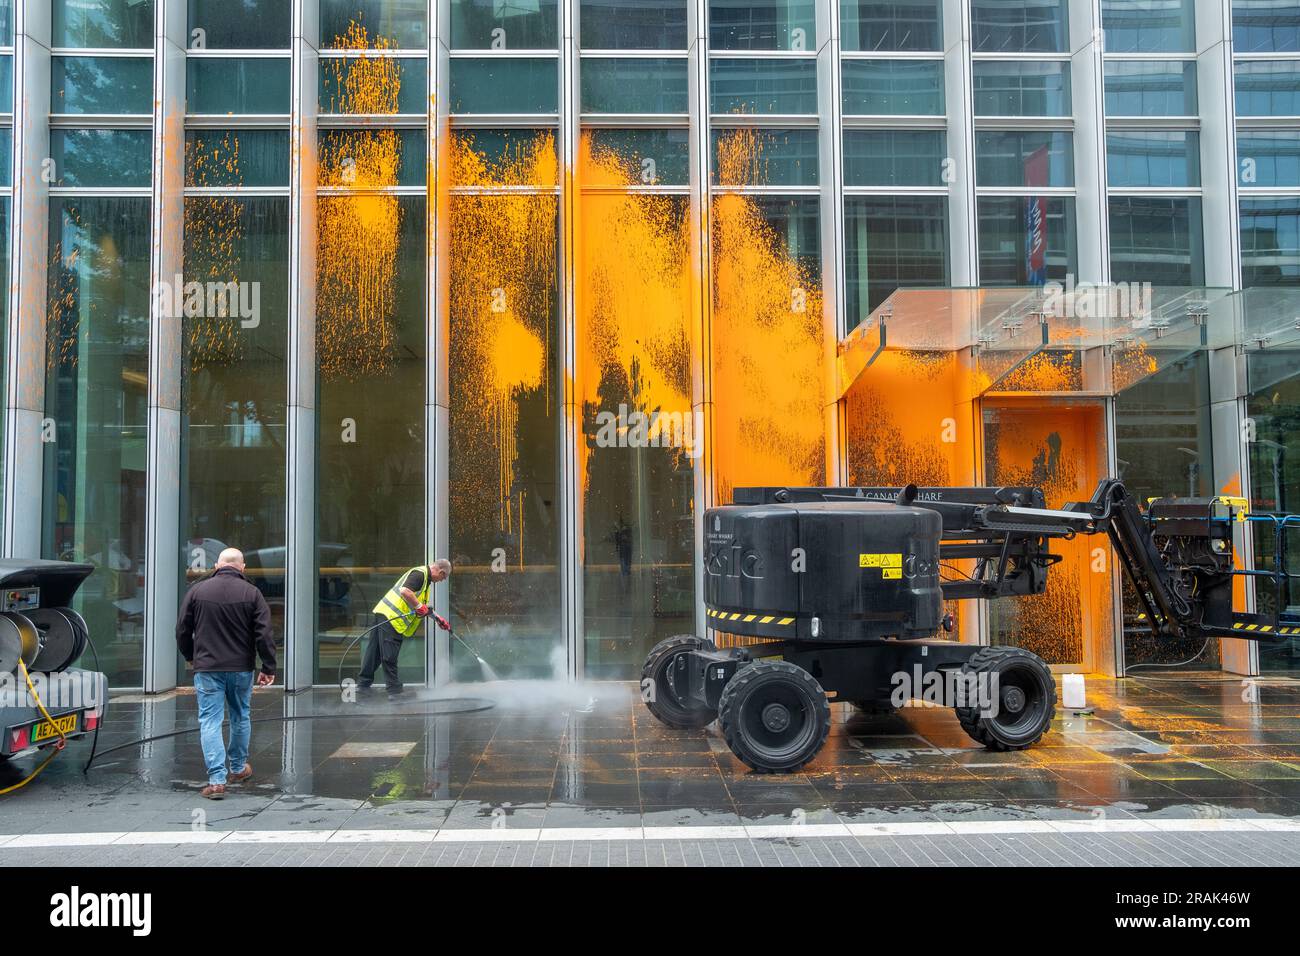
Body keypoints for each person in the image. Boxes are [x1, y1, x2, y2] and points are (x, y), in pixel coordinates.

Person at [176, 547, 276, 800]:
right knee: (240, 715)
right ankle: (239, 768)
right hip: (241, 668)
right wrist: (268, 666)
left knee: (210, 720)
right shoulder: (252, 593)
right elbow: (264, 634)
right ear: (242, 567)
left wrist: (191, 656)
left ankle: (217, 781)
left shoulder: (197, 591)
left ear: (218, 565)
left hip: (208, 668)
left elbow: (182, 630)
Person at [359, 559, 452, 696]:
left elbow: (422, 607)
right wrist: (419, 606)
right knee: (389, 654)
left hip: (384, 613)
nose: (442, 580)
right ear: (441, 571)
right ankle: (394, 692)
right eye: (443, 577)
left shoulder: (425, 581)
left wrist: (438, 619)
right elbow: (405, 591)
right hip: (391, 617)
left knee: (375, 652)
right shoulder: (420, 574)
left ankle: (363, 685)